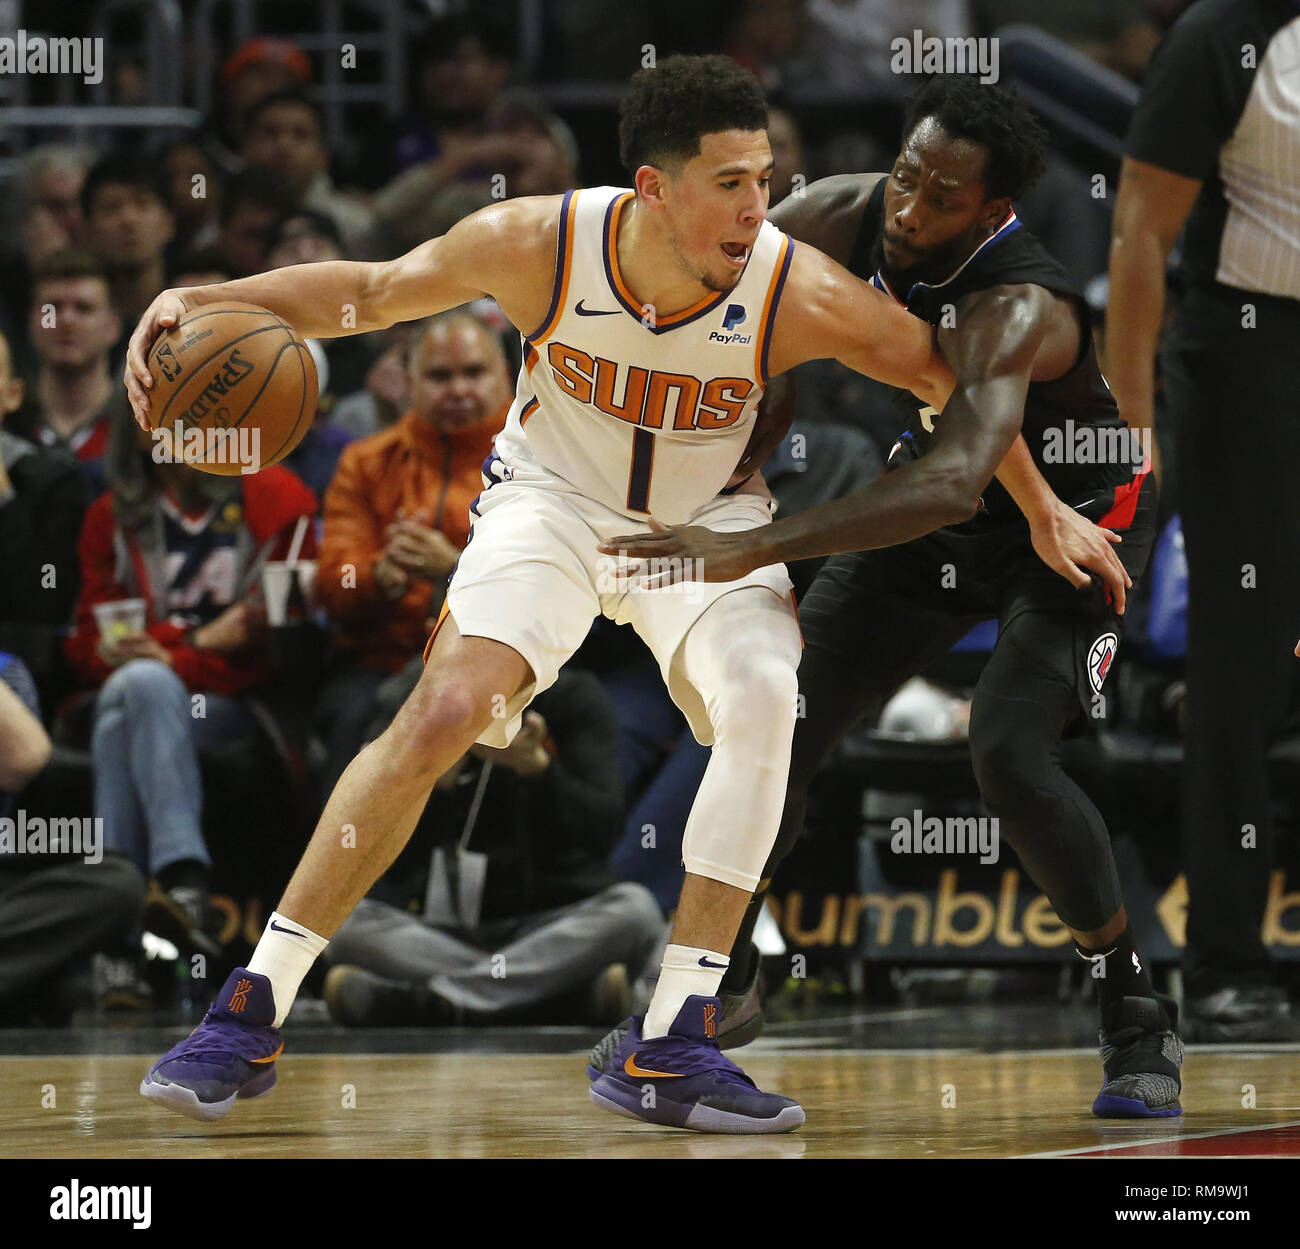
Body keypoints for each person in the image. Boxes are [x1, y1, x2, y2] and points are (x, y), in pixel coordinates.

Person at [126, 55, 1094, 1134]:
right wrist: (206, 297)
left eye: (764, 178)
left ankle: (674, 1035)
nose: (757, 206)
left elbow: (947, 386)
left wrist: (1044, 507)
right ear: (654, 188)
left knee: (773, 694)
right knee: (446, 710)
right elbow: (369, 292)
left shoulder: (791, 286)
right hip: (551, 499)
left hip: (705, 525)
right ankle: (250, 1007)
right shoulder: (538, 244)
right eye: (728, 182)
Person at [597, 76, 1178, 1118]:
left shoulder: (1020, 302)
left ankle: (1133, 1009)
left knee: (1006, 747)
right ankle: (714, 993)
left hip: (1070, 526)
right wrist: (751, 431)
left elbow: (954, 473)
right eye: (908, 176)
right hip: (954, 497)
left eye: (942, 198)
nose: (910, 209)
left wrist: (748, 548)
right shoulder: (838, 214)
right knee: (777, 718)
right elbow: (737, 322)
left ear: (991, 213)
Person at [1108, 0, 1300, 1041]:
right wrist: (1132, 424)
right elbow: (1140, 231)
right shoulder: (1220, 36)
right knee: (1242, 667)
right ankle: (1227, 959)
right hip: (1247, 357)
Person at [65, 410, 316, 961]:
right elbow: (84, 644)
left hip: (231, 705)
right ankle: (184, 880)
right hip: (145, 687)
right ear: (134, 427)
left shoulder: (277, 496)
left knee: (122, 721)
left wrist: (173, 654)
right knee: (143, 686)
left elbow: (269, 643)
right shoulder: (110, 516)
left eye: (195, 410)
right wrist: (196, 642)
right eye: (158, 415)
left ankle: (116, 946)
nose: (176, 431)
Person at [324, 667, 661, 1027]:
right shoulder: (408, 702)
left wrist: (538, 770)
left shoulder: (571, 696)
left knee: (636, 911)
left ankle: (433, 1001)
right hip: (445, 932)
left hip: (553, 923)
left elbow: (603, 832)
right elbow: (384, 864)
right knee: (342, 925)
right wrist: (431, 790)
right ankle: (555, 1000)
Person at [313, 310, 510, 796]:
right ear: (410, 383)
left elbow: (549, 589)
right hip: (380, 662)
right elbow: (333, 586)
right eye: (440, 376)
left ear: (507, 376)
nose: (459, 390)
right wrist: (379, 576)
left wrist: (453, 570)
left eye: (474, 372)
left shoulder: (539, 462)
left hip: (503, 668)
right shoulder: (365, 463)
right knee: (358, 718)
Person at [11, 249, 125, 498]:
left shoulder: (137, 427)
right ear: (33, 321)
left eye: (83, 309)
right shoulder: (7, 423)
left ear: (113, 326)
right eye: (52, 309)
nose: (66, 320)